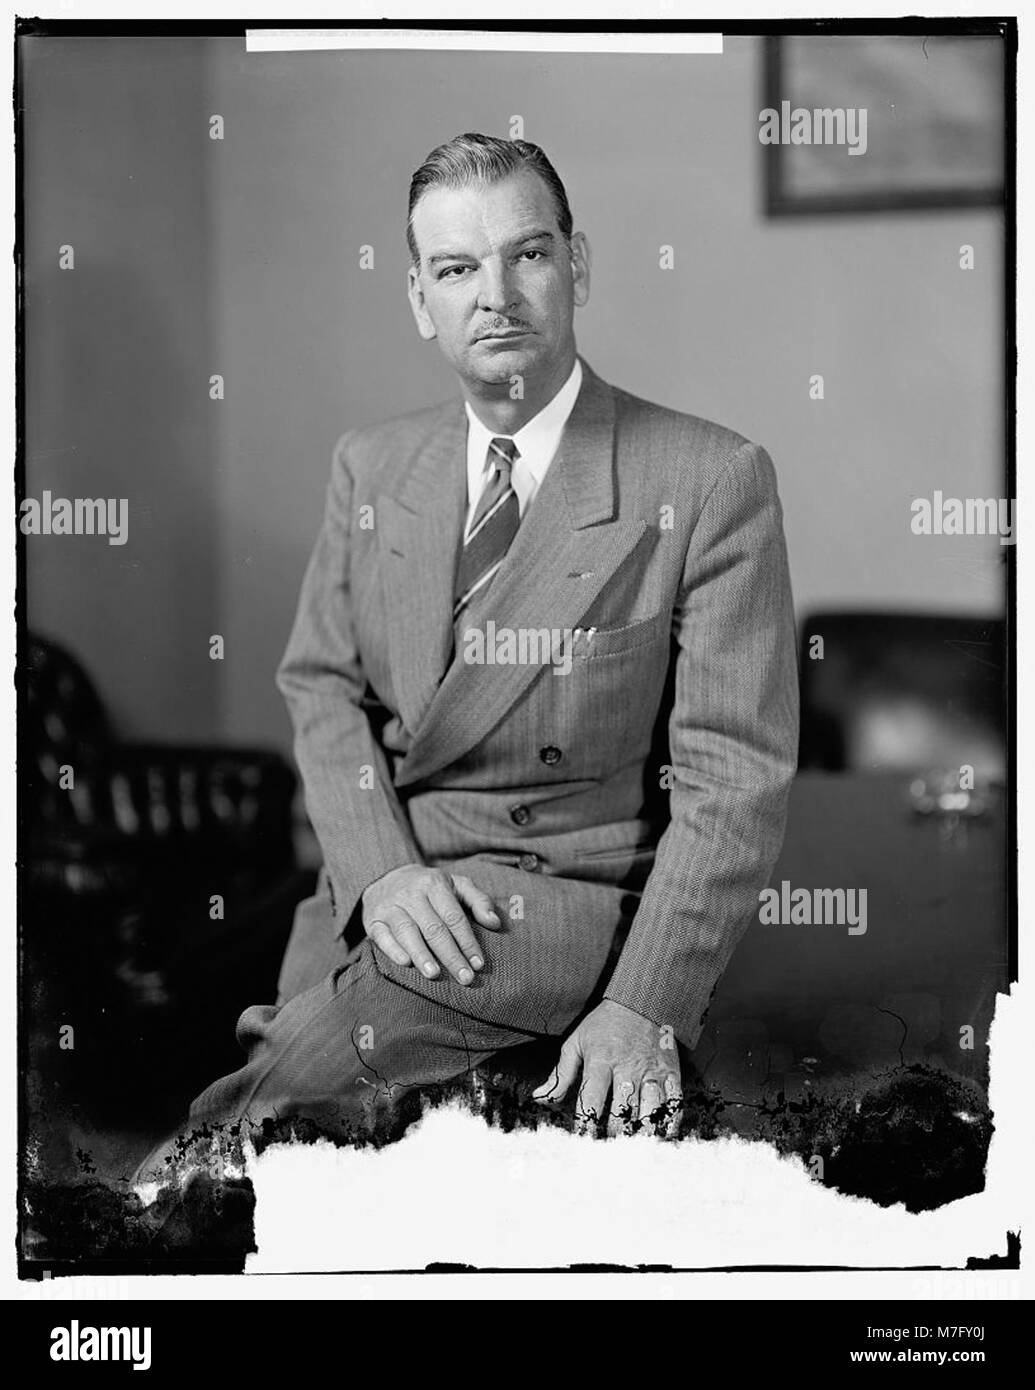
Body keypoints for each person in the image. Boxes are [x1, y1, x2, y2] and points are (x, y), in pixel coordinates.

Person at [181, 132, 799, 1148]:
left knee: (250, 1118)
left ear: (579, 266)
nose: (496, 293)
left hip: (563, 907)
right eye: (458, 267)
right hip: (388, 887)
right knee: (301, 1102)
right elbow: (321, 684)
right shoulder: (371, 466)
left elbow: (735, 780)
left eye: (530, 253)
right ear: (420, 299)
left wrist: (643, 1007)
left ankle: (127, 1225)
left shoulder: (709, 480)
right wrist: (381, 871)